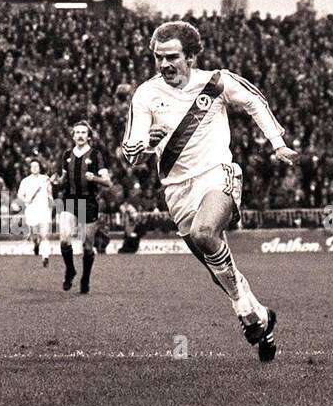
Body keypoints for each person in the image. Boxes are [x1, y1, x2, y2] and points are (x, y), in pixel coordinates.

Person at [121, 20, 298, 362]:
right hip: (176, 190)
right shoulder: (146, 94)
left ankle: (244, 308)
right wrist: (144, 144)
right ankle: (260, 317)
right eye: (158, 57)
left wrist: (277, 143)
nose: (164, 64)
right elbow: (130, 149)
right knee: (217, 269)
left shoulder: (216, 82)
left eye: (172, 56)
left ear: (190, 56)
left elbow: (254, 102)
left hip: (218, 174)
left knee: (206, 232)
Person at [51, 121, 111, 293]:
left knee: (87, 245)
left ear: (88, 136)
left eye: (83, 132)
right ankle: (70, 270)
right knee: (64, 239)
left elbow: (108, 182)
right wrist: (57, 181)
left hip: (89, 202)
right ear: (72, 136)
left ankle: (85, 278)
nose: (80, 135)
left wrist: (95, 178)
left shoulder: (96, 155)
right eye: (77, 132)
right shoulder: (67, 155)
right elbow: (63, 180)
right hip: (70, 200)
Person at [16, 158, 54, 266]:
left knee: (44, 235)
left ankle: (45, 256)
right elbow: (20, 195)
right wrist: (25, 200)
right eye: (32, 166)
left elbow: (50, 193)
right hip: (31, 210)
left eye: (36, 166)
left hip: (44, 209)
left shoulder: (45, 179)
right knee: (34, 234)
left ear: (39, 167)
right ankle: (36, 244)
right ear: (30, 168)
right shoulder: (25, 181)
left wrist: (51, 203)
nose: (34, 168)